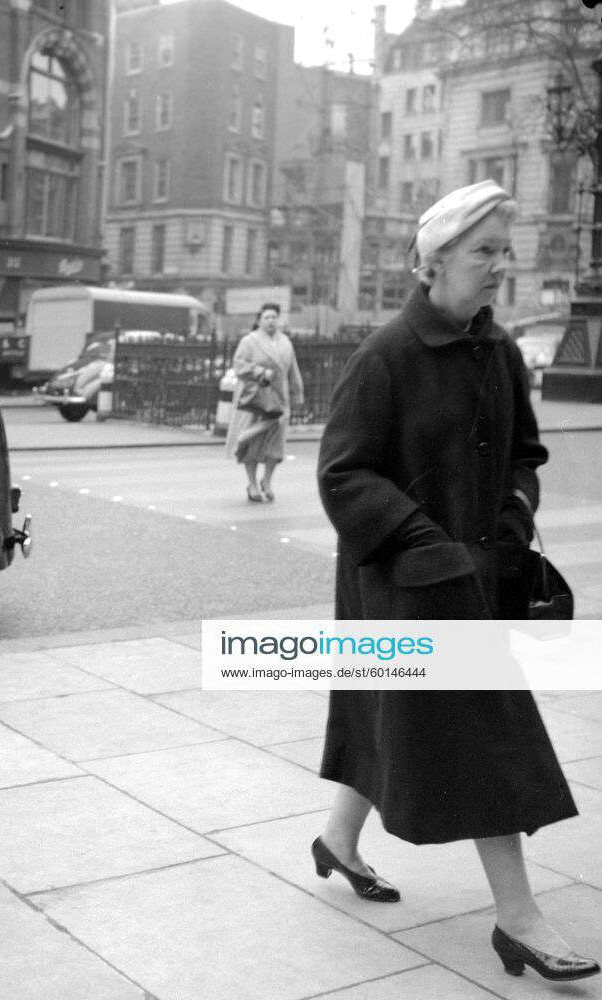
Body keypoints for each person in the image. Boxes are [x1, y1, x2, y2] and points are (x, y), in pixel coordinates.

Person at [313, 180, 598, 982]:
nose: (499, 265)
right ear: (432, 262)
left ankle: (336, 842)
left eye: (505, 250)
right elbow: (342, 473)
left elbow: (524, 456)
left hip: (477, 581)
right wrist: (427, 545)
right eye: (483, 251)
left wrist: (512, 512)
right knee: (488, 741)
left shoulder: (498, 350)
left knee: (380, 716)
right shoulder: (385, 356)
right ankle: (518, 919)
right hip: (406, 588)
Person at [225, 303, 303, 502]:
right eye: (266, 317)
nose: (270, 321)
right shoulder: (249, 341)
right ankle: (252, 483)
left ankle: (267, 481)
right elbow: (239, 365)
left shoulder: (285, 342)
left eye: (274, 317)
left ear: (279, 320)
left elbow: (293, 369)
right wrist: (260, 372)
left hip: (279, 399)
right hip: (255, 400)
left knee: (276, 445)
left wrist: (297, 394)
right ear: (259, 321)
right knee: (252, 442)